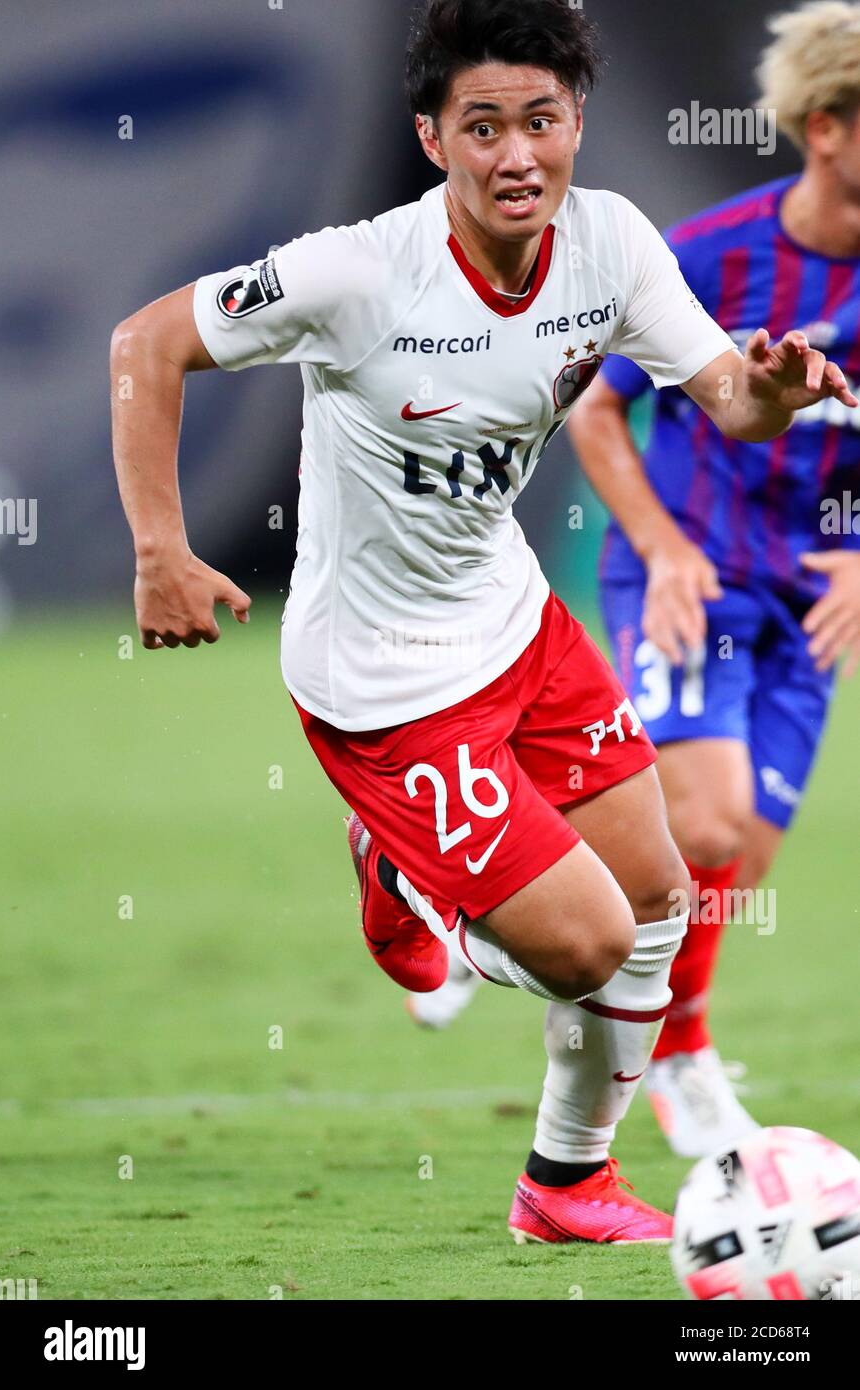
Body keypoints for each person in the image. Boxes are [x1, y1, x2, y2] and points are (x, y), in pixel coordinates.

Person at [110, 0, 856, 1244]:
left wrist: (769, 393)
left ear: (576, 125)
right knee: (589, 945)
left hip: (516, 626)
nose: (517, 154)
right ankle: (402, 862)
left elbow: (725, 397)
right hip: (382, 682)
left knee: (662, 908)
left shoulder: (608, 245)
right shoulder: (355, 273)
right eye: (483, 126)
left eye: (542, 122)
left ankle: (561, 1188)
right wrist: (159, 549)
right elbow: (146, 343)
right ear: (430, 136)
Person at [566, 0, 860, 1159]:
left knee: (733, 863)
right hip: (686, 571)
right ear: (826, 126)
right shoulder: (710, 255)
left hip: (810, 597)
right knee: (704, 817)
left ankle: (496, 879)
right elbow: (598, 414)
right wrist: (666, 545)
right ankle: (679, 1063)